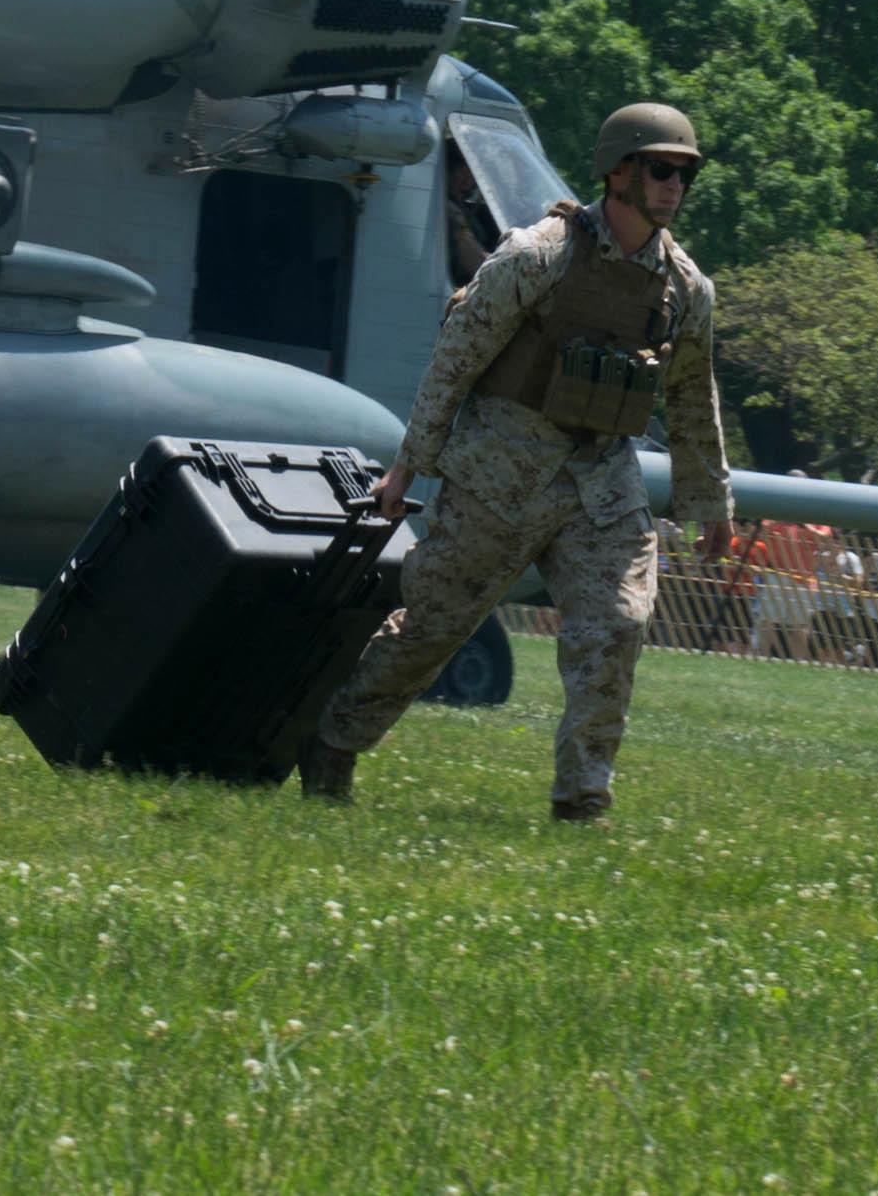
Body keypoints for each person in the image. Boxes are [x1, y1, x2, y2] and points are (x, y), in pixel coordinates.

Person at [300, 100, 734, 825]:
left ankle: (581, 799)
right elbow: (455, 360)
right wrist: (407, 467)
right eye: (661, 169)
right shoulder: (536, 256)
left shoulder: (684, 289)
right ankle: (332, 744)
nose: (675, 186)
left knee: (616, 627)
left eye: (685, 174)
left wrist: (709, 503)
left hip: (601, 485)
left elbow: (692, 394)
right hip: (498, 476)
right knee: (431, 631)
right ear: (617, 172)